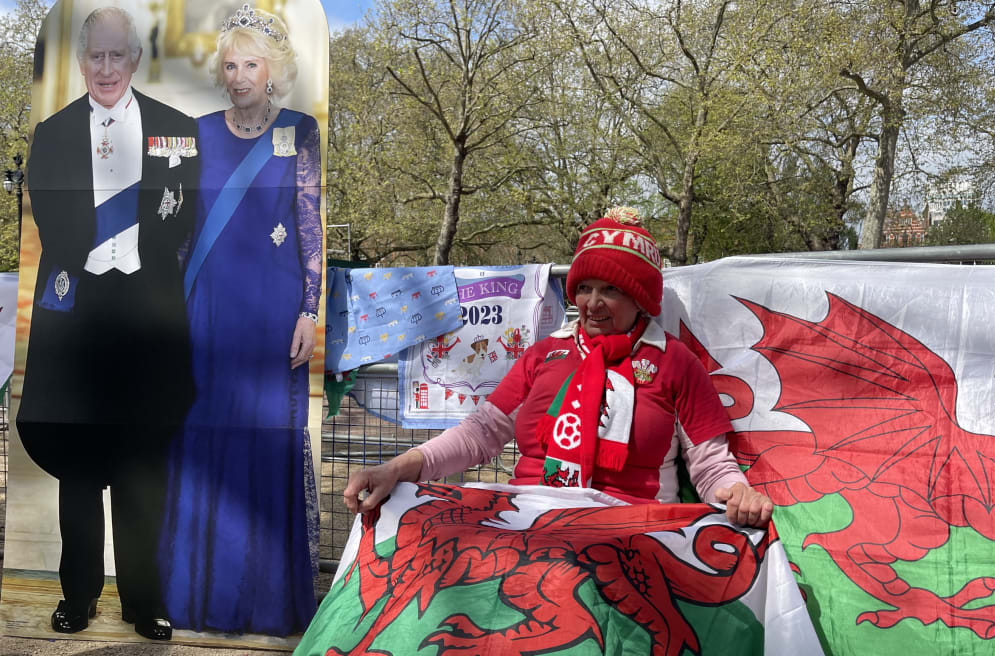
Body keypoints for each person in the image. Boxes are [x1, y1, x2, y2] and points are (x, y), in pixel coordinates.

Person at [344, 207, 773, 527]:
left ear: (641, 298)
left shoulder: (676, 362)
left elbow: (710, 462)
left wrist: (738, 494)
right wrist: (395, 468)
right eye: (583, 287)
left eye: (611, 290)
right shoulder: (544, 354)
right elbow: (479, 435)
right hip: (530, 520)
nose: (592, 303)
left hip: (632, 530)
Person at [16, 6, 198, 641]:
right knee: (82, 463)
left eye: (117, 55)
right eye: (95, 55)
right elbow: (51, 216)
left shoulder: (176, 131)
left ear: (136, 60)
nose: (106, 67)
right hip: (79, 317)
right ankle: (78, 595)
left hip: (147, 316)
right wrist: (97, 254)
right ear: (81, 59)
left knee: (142, 463)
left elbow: (184, 215)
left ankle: (143, 602)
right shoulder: (54, 132)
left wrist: (136, 253)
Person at [157, 4, 322, 636]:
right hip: (209, 311)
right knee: (200, 443)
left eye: (251, 63)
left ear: (274, 70)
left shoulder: (300, 130)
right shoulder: (193, 132)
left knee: (263, 440)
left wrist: (309, 309)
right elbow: (178, 233)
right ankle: (193, 597)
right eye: (230, 64)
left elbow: (309, 223)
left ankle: (267, 602)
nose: (239, 75)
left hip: (271, 313)